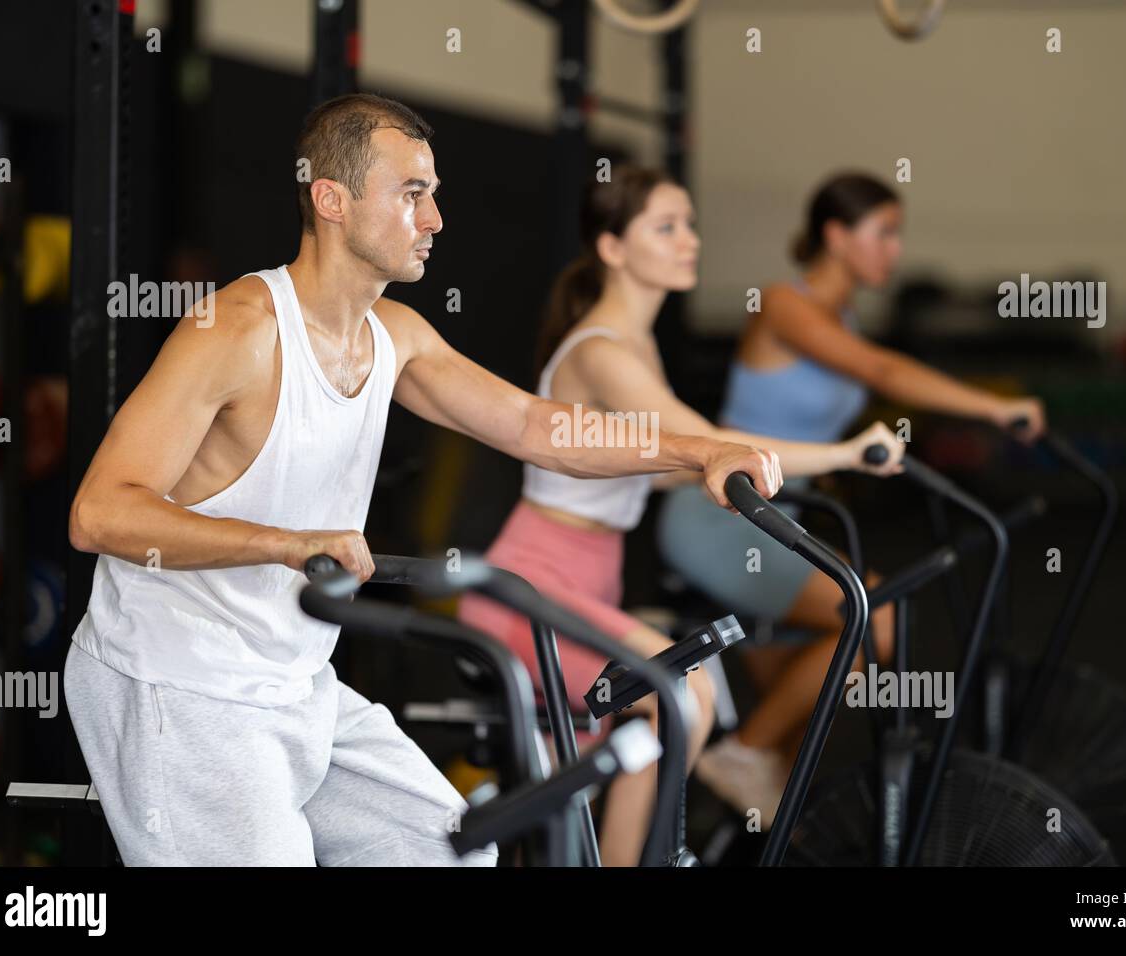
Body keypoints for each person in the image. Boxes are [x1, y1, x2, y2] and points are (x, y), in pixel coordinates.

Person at [63, 94, 786, 867]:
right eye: (412, 194)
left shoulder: (394, 335)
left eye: (433, 194)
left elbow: (535, 426)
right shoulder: (239, 330)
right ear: (331, 199)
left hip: (297, 684)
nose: (436, 219)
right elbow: (99, 513)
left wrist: (701, 452)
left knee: (455, 851)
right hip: (178, 683)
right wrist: (284, 544)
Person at [456, 165, 905, 866]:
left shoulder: (636, 347)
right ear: (612, 247)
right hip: (532, 589)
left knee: (609, 757)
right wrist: (845, 452)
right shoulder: (602, 352)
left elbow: (671, 461)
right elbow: (709, 446)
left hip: (585, 581)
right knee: (678, 693)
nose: (689, 240)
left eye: (689, 224)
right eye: (666, 227)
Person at [656, 172, 1046, 821]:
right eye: (884, 233)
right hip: (724, 515)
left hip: (783, 517)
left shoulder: (843, 318)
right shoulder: (783, 304)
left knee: (800, 717)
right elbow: (883, 371)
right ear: (837, 237)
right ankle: (738, 755)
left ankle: (759, 811)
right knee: (875, 616)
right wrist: (995, 408)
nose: (896, 249)